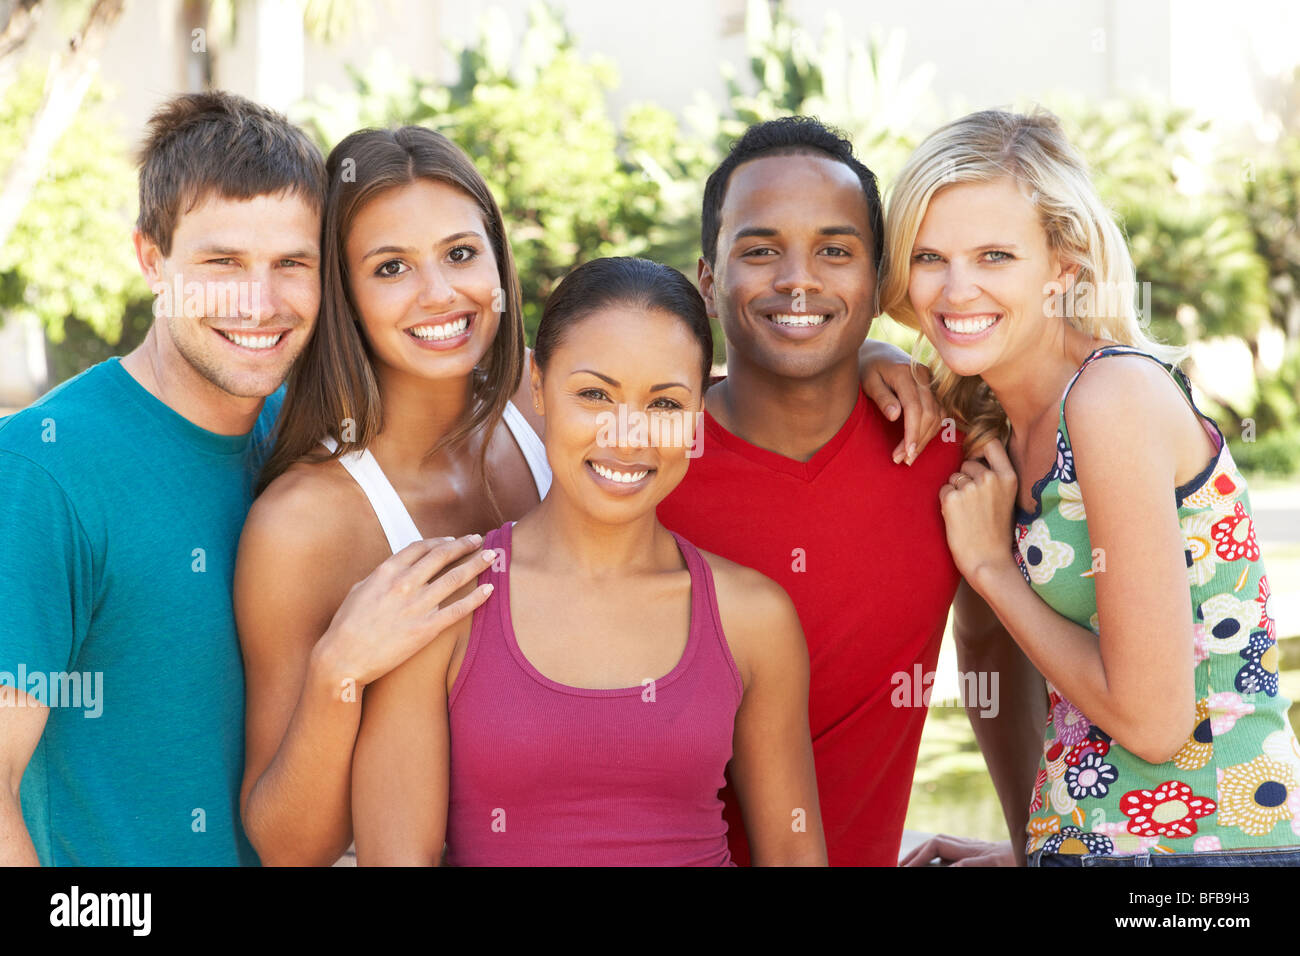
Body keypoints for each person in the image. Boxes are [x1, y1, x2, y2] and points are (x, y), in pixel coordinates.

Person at [235, 124, 927, 865]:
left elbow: (658, 374)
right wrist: (341, 666)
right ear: (344, 289)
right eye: (391, 267)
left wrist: (856, 355)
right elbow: (289, 849)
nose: (439, 293)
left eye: (461, 254)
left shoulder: (544, 400)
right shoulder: (305, 524)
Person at [888, 108, 1300, 865]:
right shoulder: (993, 426)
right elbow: (993, 653)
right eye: (928, 256)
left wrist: (990, 569)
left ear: (1064, 268)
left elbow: (1152, 722)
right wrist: (1032, 844)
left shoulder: (1110, 398)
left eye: (995, 256)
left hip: (1218, 858)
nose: (956, 289)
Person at [351, 256, 825, 865]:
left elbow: (793, 851)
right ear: (539, 387)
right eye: (595, 394)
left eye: (664, 404)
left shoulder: (753, 616)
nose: (627, 436)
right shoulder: (444, 603)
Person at [652, 116, 1037, 867]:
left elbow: (991, 646)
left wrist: (1035, 845)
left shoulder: (947, 453)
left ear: (874, 279)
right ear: (708, 279)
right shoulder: (642, 462)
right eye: (760, 250)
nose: (799, 279)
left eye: (836, 251)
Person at [0, 91, 323, 866]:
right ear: (152, 259)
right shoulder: (42, 468)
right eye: (222, 262)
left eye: (291, 264)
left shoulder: (306, 449)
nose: (260, 301)